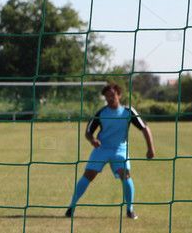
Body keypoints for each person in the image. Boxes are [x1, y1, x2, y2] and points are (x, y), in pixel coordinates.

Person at [66, 83, 155, 219]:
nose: (110, 98)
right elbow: (88, 132)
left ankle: (130, 210)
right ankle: (71, 207)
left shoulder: (128, 111)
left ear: (119, 95)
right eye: (107, 96)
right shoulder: (101, 113)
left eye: (112, 95)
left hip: (120, 150)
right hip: (101, 149)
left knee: (125, 176)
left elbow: (145, 128)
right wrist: (92, 140)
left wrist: (150, 148)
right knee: (88, 175)